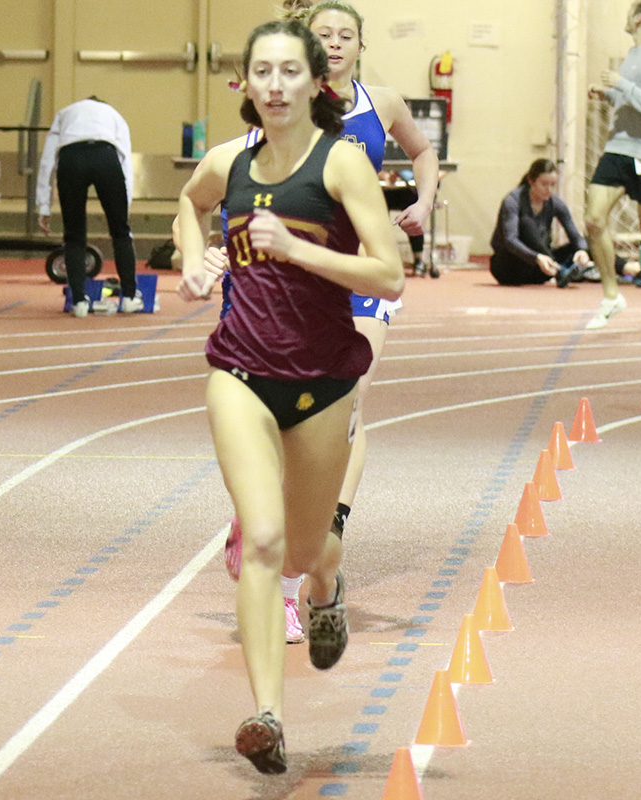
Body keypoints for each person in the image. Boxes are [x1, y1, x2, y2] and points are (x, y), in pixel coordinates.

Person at [173, 18, 403, 774]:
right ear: (246, 83)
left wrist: (298, 247)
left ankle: (327, 585)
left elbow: (389, 275)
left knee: (305, 550)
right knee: (263, 542)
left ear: (314, 82)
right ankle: (267, 716)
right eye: (262, 72)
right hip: (240, 371)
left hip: (323, 380)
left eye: (289, 71)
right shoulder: (228, 161)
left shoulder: (341, 165)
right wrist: (194, 260)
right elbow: (189, 203)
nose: (275, 86)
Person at [217, 0, 440, 646]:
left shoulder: (382, 103)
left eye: (347, 35)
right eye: (325, 35)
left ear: (362, 46)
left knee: (349, 401)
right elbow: (231, 182)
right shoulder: (286, 105)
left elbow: (423, 152)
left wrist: (424, 200)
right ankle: (264, 516)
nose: (336, 43)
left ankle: (316, 541)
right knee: (287, 413)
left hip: (358, 276)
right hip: (291, 282)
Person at [584, 0, 641, 337]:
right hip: (617, 148)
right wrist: (609, 95)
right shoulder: (632, 55)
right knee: (594, 219)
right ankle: (612, 296)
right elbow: (634, 101)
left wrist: (621, 85)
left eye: (629, 12)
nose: (626, 16)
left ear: (638, 18)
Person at [35, 97, 143, 318]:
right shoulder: (114, 114)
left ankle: (79, 302)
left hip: (71, 157)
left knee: (74, 235)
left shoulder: (65, 112)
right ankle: (129, 297)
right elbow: (125, 161)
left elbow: (47, 160)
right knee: (120, 232)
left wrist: (44, 206)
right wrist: (125, 205)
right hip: (105, 156)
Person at [489, 158, 592, 288]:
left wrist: (581, 250)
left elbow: (575, 236)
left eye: (553, 185)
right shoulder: (513, 201)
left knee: (591, 242)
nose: (549, 189)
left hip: (541, 269)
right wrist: (536, 257)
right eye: (544, 184)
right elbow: (510, 240)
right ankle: (561, 270)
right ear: (531, 181)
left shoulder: (555, 203)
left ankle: (614, 270)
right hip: (510, 267)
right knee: (527, 223)